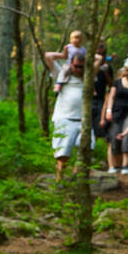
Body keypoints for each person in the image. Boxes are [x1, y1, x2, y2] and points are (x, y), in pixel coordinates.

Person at [45, 51, 88, 181]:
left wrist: (85, 52)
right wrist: (64, 55)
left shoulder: (88, 76)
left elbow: (99, 58)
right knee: (63, 153)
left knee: (87, 148)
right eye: (76, 66)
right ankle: (59, 180)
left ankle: (75, 178)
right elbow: (48, 56)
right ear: (71, 64)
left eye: (82, 67)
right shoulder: (61, 73)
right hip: (64, 118)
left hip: (83, 120)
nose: (79, 69)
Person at [103, 66, 128, 174]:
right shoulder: (116, 83)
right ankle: (113, 165)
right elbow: (109, 99)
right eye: (126, 70)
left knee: (127, 138)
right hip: (116, 114)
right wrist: (107, 112)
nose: (127, 73)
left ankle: (124, 165)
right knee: (113, 139)